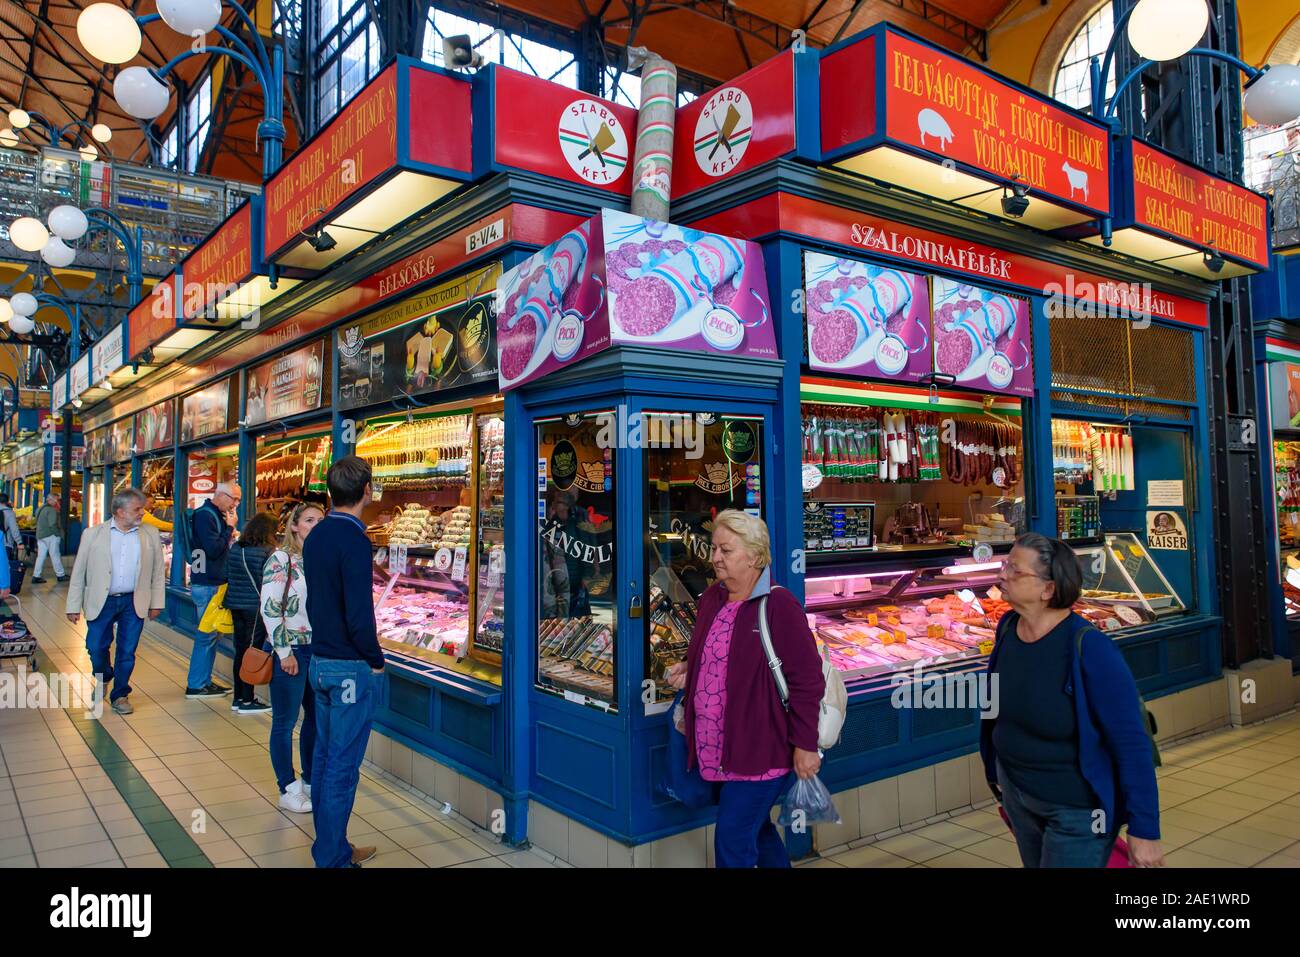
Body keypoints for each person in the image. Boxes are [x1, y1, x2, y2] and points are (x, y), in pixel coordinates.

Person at [980, 532, 1164, 868]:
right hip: (1018, 792)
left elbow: (1132, 742)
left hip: (1076, 810)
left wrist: (1145, 829)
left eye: (1015, 571)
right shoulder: (1007, 627)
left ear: (1048, 589)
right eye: (1005, 565)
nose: (1002, 574)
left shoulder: (1090, 649)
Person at [666, 510, 824, 868]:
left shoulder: (779, 605)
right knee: (757, 831)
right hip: (719, 748)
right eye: (714, 548)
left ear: (754, 556)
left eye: (726, 550)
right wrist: (690, 669)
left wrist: (805, 743)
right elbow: (716, 654)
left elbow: (807, 681)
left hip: (760, 751)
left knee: (733, 840)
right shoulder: (712, 598)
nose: (715, 557)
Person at [304, 456, 381, 868]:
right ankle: (332, 858)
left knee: (323, 759)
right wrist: (375, 659)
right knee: (342, 767)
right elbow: (359, 613)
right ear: (366, 490)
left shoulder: (316, 535)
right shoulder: (354, 540)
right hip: (348, 666)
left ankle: (331, 845)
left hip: (319, 662)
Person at [65, 488, 166, 716]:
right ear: (120, 511)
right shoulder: (93, 534)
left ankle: (120, 694)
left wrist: (157, 602)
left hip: (134, 601)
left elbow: (158, 572)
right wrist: (72, 605)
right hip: (102, 600)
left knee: (127, 651)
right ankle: (104, 675)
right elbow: (79, 572)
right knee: (95, 647)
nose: (143, 513)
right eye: (137, 509)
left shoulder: (150, 534)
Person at [261, 502, 324, 814]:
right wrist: (284, 651)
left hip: (318, 649)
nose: (316, 525)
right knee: (285, 722)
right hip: (293, 650)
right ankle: (286, 787)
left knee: (315, 719)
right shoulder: (281, 559)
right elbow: (270, 608)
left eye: (321, 520)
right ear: (295, 526)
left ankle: (310, 780)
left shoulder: (319, 559)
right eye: (310, 520)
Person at [185, 482, 240, 699]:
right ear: (220, 495)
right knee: (206, 636)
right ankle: (197, 684)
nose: (236, 504)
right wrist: (229, 528)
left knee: (210, 636)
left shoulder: (211, 514)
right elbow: (214, 549)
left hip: (210, 584)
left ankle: (203, 681)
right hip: (208, 585)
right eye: (234, 498)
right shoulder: (206, 515)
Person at [224, 512, 277, 715]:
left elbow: (227, 573)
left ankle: (239, 696)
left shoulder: (237, 547)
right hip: (255, 607)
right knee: (253, 651)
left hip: (235, 604)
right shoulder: (268, 551)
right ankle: (247, 699)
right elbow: (270, 581)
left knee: (241, 650)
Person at [32, 492, 66, 583]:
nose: (57, 502)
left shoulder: (40, 509)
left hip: (40, 535)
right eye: (57, 500)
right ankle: (60, 575)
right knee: (55, 555)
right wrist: (57, 534)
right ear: (52, 500)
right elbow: (52, 524)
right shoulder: (51, 510)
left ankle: (36, 575)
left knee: (41, 556)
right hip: (50, 535)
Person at [0, 492, 21, 558]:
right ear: (7, 501)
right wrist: (19, 542)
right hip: (5, 543)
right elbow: (14, 528)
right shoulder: (9, 513)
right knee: (3, 565)